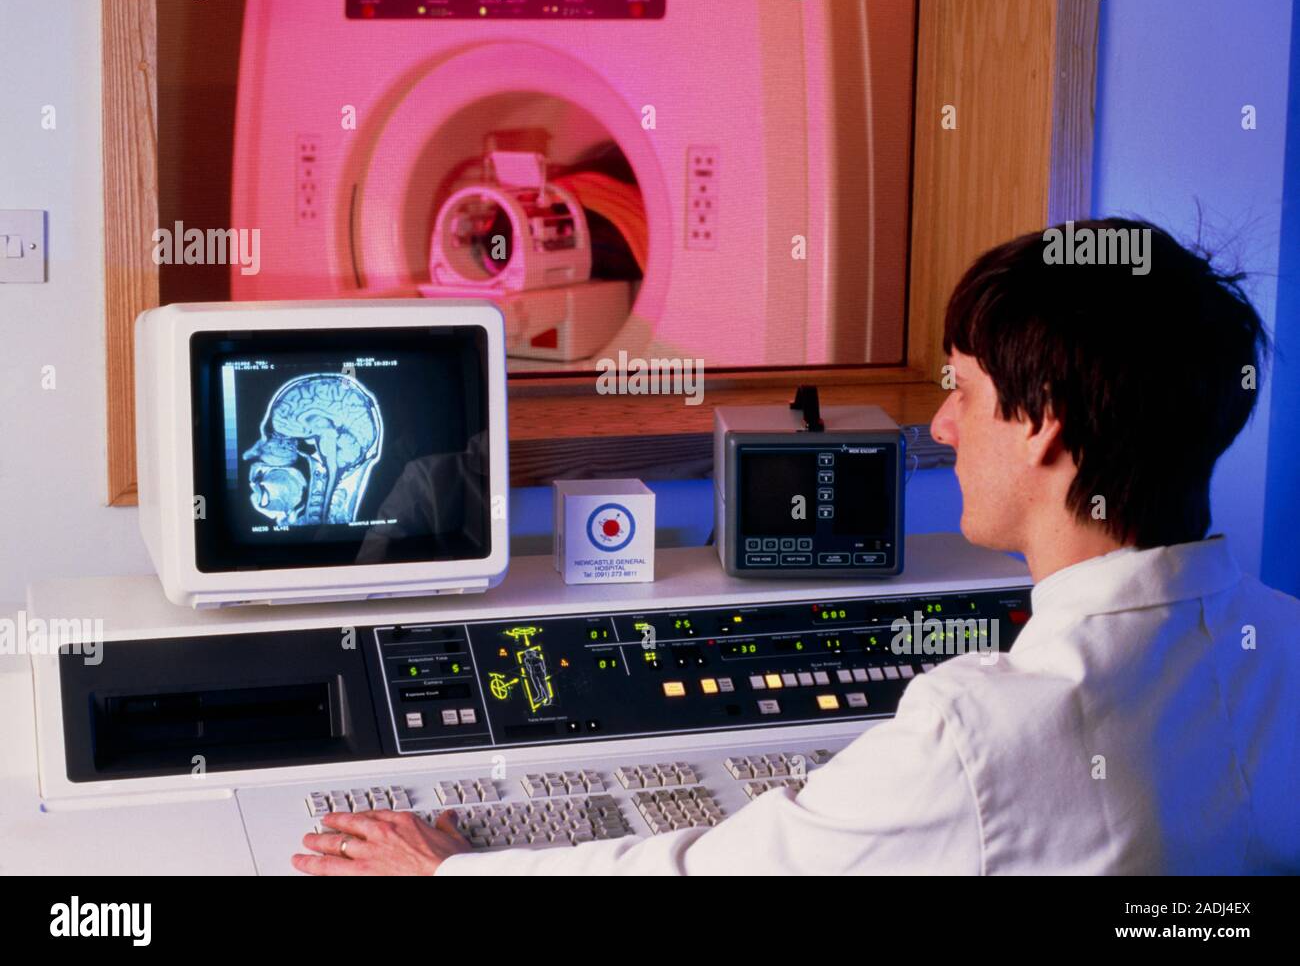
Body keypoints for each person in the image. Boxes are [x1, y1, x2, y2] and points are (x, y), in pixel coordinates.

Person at [293, 219, 1299, 875]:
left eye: (960, 389)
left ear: (1041, 424)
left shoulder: (982, 731)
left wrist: (444, 872)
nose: (941, 428)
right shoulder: (1282, 642)